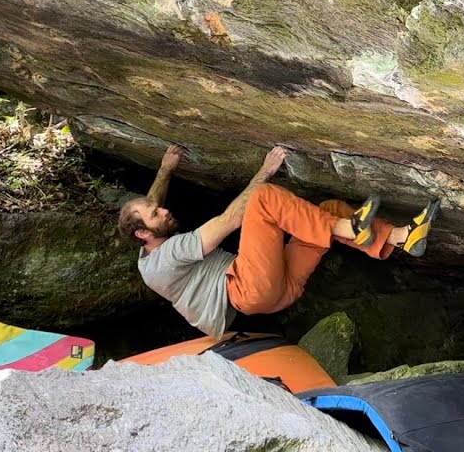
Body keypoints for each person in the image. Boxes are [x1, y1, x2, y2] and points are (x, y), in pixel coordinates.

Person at [117, 144, 440, 338]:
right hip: (248, 290)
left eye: (158, 207)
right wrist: (265, 171)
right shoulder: (171, 253)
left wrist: (164, 170)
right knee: (263, 198)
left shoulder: (149, 252)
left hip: (276, 292)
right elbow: (230, 220)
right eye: (156, 214)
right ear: (143, 234)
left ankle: (402, 237)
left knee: (327, 212)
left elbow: (146, 205)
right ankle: (354, 229)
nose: (164, 209)